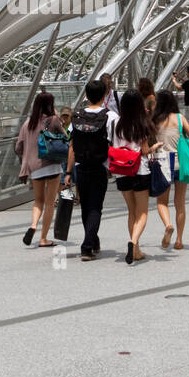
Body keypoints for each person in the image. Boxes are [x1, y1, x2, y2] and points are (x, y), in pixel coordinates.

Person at [65, 79, 118, 260]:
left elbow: (72, 146)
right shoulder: (110, 117)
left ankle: (92, 240)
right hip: (100, 167)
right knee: (96, 207)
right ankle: (87, 246)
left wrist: (67, 172)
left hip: (81, 167)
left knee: (86, 206)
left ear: (86, 95)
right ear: (104, 96)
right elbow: (115, 143)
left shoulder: (77, 116)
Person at [112, 91, 162, 264]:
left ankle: (136, 250)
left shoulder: (115, 122)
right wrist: (155, 146)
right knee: (142, 213)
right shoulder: (141, 123)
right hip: (139, 170)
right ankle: (133, 243)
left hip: (121, 171)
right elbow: (145, 151)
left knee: (131, 211)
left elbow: (115, 145)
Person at [16, 91, 65, 248]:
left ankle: (33, 226)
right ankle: (43, 239)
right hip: (52, 165)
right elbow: (66, 137)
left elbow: (18, 147)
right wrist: (57, 119)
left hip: (34, 167)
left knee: (38, 200)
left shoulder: (27, 123)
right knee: (50, 203)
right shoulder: (53, 120)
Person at [152, 90, 189, 250]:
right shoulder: (179, 118)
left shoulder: (154, 120)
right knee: (180, 203)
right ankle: (179, 240)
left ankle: (168, 225)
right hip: (180, 164)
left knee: (161, 202)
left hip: (162, 163)